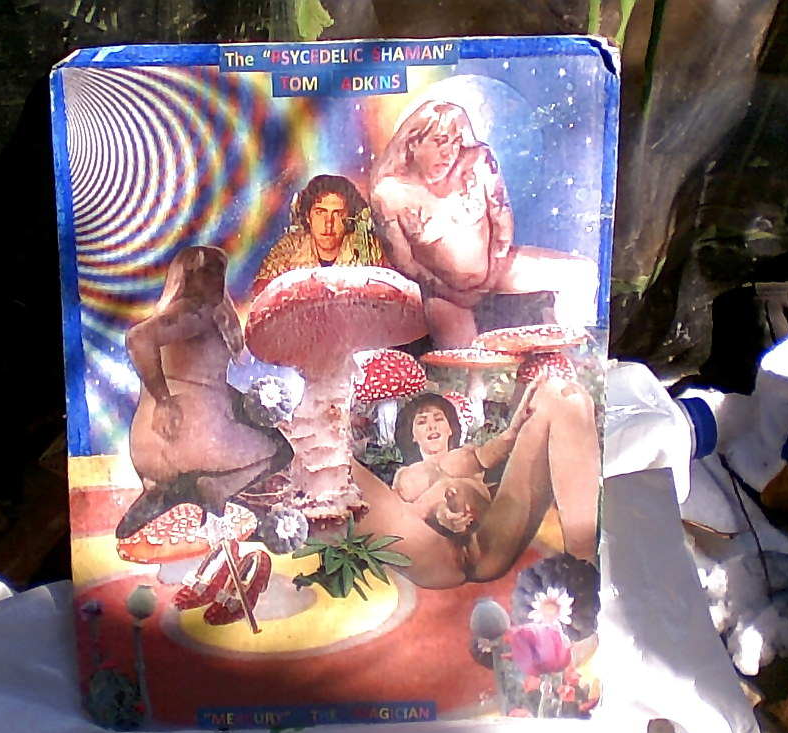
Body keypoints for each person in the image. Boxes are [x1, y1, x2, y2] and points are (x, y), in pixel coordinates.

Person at [370, 100, 599, 348]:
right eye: (440, 141)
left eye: (456, 142)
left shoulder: (478, 161)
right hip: (443, 291)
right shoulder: (390, 192)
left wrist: (489, 278)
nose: (449, 153)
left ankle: (573, 355)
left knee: (582, 273)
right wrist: (454, 293)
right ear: (413, 142)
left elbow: (502, 221)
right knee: (462, 364)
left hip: (497, 266)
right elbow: (405, 262)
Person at [352, 376, 600, 589]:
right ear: (412, 435)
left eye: (438, 419)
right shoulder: (406, 475)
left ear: (451, 428)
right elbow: (400, 520)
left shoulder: (466, 455)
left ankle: (583, 574)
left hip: (490, 540)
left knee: (565, 395)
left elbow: (495, 450)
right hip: (434, 555)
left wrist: (514, 429)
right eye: (422, 422)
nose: (431, 426)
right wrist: (439, 514)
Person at [116, 245, 291, 538]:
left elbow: (207, 377)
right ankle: (219, 487)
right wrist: (164, 401)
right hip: (195, 438)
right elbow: (138, 338)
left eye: (219, 270)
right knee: (281, 450)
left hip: (148, 446)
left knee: (250, 429)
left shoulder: (197, 315)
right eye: (206, 271)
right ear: (186, 276)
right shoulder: (192, 313)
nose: (216, 278)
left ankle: (162, 490)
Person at [251, 174, 389, 296]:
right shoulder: (287, 252)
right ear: (308, 216)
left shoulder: (367, 249)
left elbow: (388, 295)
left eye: (337, 214)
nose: (328, 223)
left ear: (349, 218)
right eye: (320, 212)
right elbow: (261, 298)